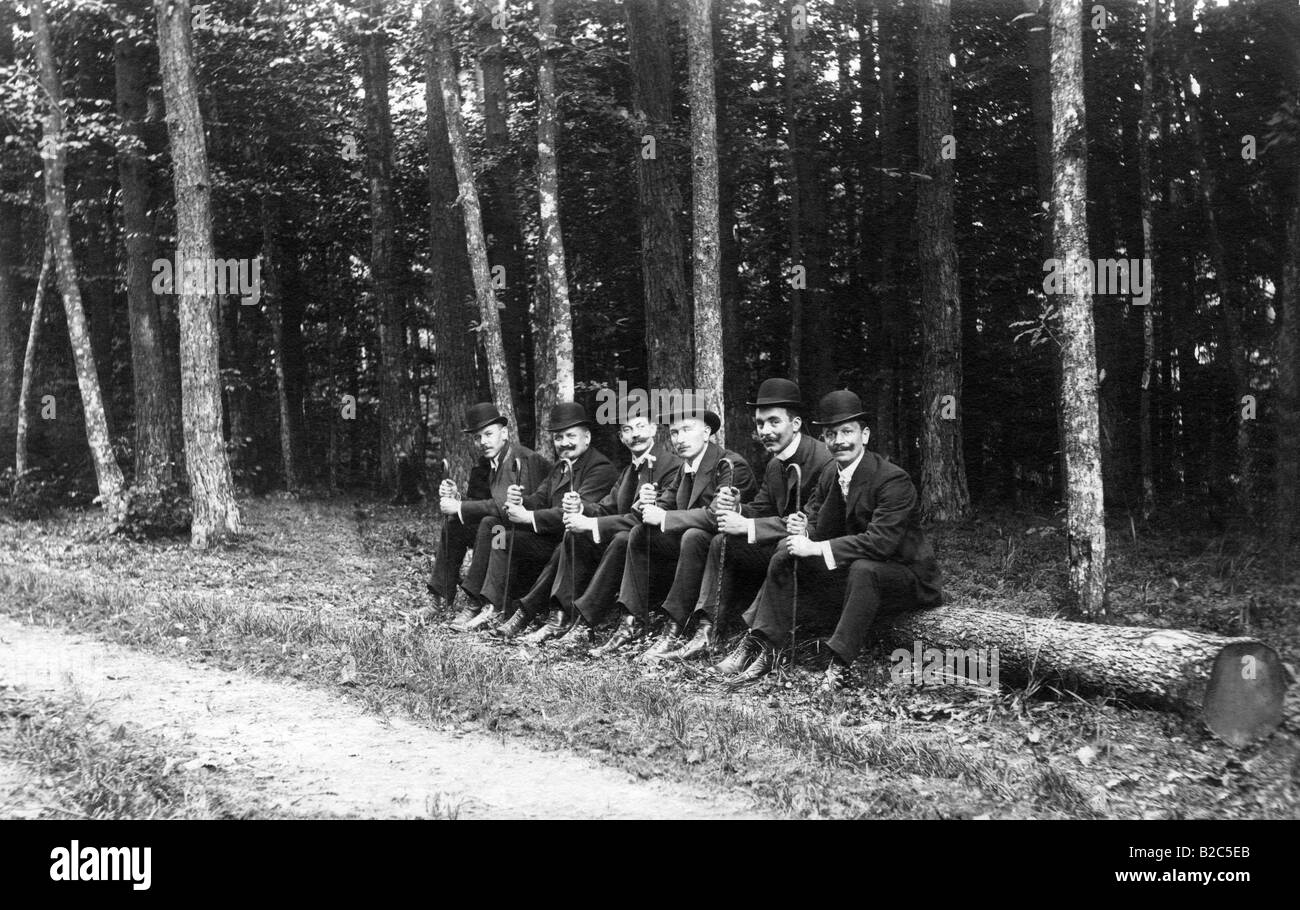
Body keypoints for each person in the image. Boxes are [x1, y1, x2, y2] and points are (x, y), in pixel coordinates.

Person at [715, 389, 942, 690]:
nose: (840, 441)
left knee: (865, 569)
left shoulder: (892, 479)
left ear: (866, 434)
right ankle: (764, 644)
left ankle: (840, 665)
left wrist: (816, 546)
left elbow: (880, 544)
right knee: (786, 550)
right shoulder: (831, 474)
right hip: (854, 571)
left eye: (847, 431)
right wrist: (803, 528)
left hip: (906, 577)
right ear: (824, 439)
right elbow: (816, 519)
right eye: (831, 434)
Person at [658, 378, 833, 661]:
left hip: (821, 556)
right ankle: (707, 630)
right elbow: (762, 507)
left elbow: (814, 523)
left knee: (749, 542)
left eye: (774, 422)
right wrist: (739, 509)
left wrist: (748, 525)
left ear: (796, 424)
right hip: (784, 547)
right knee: (716, 539)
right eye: (760, 424)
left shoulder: (824, 459)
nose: (765, 431)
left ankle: (756, 640)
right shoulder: (776, 463)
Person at [589, 392, 757, 659]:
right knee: (639, 532)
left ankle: (675, 628)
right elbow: (663, 505)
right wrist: (645, 504)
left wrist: (664, 518)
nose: (679, 439)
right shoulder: (685, 468)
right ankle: (630, 621)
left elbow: (718, 517)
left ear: (706, 432)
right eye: (675, 432)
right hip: (691, 550)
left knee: (693, 535)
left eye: (687, 430)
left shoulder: (730, 464)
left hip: (730, 557)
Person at [520, 403, 682, 649]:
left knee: (619, 539)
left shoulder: (671, 466)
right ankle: (560, 616)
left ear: (653, 429)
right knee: (576, 534)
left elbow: (644, 519)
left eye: (640, 426)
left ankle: (586, 622)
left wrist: (591, 522)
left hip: (658, 555)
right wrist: (581, 508)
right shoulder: (629, 470)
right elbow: (608, 507)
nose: (634, 434)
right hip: (628, 548)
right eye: (627, 430)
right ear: (621, 437)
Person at [490, 402, 619, 640]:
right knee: (502, 538)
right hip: (554, 538)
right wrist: (519, 501)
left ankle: (526, 613)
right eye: (559, 437)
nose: (564, 443)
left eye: (571, 435)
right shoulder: (561, 467)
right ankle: (495, 605)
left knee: (564, 545)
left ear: (587, 437)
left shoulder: (600, 468)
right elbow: (540, 498)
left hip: (583, 545)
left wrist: (529, 517)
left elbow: (577, 513)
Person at [431, 402, 550, 631]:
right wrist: (457, 498)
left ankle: (476, 602)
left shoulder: (521, 460)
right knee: (457, 525)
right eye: (477, 437)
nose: (483, 442)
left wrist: (459, 507)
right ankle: (440, 595)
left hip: (530, 540)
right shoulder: (488, 464)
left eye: (488, 434)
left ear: (504, 433)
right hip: (502, 534)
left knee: (489, 523)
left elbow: (505, 508)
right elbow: (479, 501)